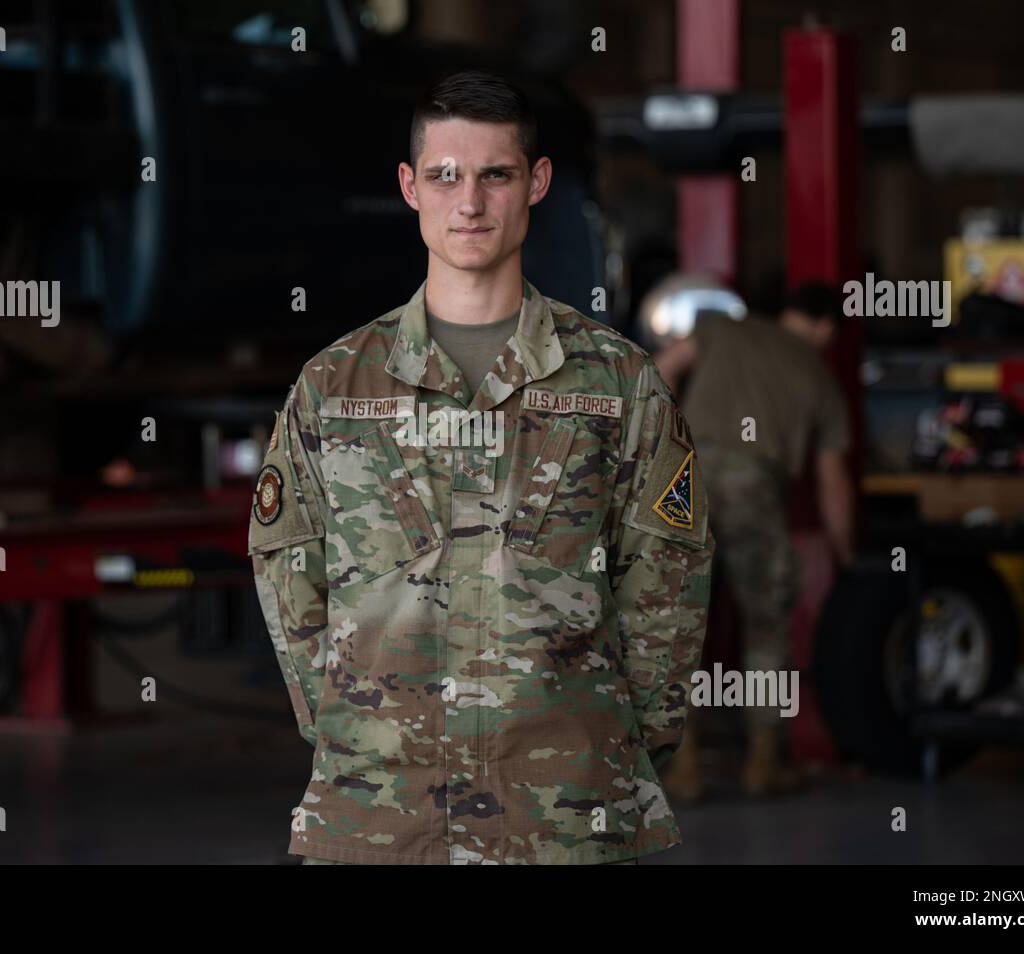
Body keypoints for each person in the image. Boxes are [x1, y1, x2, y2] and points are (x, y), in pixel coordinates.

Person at [249, 70, 714, 865]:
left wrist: (608, 745)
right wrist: (350, 726)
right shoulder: (334, 385)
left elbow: (667, 584)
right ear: (410, 187)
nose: (469, 203)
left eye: (495, 175)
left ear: (536, 183)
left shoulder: (617, 382)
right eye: (445, 176)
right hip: (379, 820)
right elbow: (288, 569)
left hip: (564, 821)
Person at [653, 282, 854, 800]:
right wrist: (848, 556)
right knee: (766, 624)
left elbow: (661, 369)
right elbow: (833, 482)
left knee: (678, 624)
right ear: (826, 328)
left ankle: (685, 767)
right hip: (752, 486)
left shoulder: (721, 328)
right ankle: (764, 763)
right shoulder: (820, 376)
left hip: (684, 475)